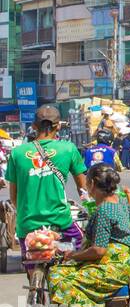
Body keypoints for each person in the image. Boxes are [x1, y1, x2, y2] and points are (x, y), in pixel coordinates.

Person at [45, 163, 130, 307]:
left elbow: (98, 251)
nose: (85, 186)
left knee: (58, 278)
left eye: (87, 182)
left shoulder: (104, 210)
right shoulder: (118, 203)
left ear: (93, 184)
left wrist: (73, 255)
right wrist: (129, 195)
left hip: (111, 266)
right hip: (123, 261)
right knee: (63, 272)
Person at [5, 105, 90, 267]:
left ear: (34, 126)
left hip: (27, 224)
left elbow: (13, 197)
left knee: (31, 264)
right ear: (58, 126)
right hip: (61, 222)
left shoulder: (17, 153)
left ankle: (34, 285)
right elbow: (84, 190)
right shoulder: (68, 148)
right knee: (80, 247)